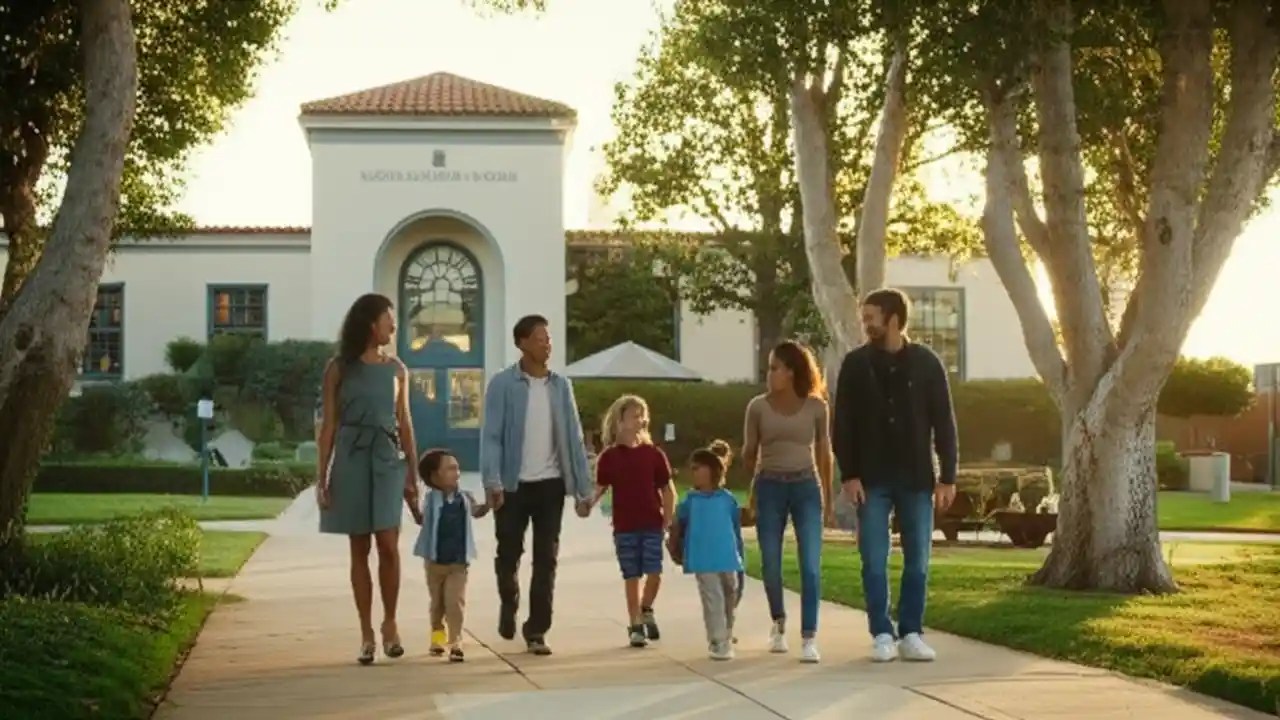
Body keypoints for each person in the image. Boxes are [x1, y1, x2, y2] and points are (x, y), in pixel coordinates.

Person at [833, 288, 958, 663]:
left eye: (870, 317)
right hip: (871, 479)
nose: (865, 324)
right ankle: (882, 632)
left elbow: (944, 422)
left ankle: (911, 632)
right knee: (873, 557)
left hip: (917, 477)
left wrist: (948, 475)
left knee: (918, 559)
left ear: (892, 319)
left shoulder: (927, 364)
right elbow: (843, 425)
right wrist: (849, 474)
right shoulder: (855, 365)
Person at [480, 314, 593, 656]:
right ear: (522, 343)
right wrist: (492, 481)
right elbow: (492, 437)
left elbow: (573, 438)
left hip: (551, 486)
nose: (548, 343)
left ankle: (537, 629)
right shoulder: (502, 384)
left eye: (549, 337)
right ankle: (508, 603)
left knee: (547, 559)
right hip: (513, 486)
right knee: (508, 554)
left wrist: (583, 490)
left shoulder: (561, 386)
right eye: (540, 337)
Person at [316, 293, 419, 666]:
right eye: (388, 319)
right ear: (370, 324)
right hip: (351, 457)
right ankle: (366, 633)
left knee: (389, 545)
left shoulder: (397, 369)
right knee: (359, 547)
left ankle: (391, 624)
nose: (393, 325)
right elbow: (328, 426)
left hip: (388, 458)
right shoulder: (338, 369)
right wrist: (321, 478)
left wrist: (414, 474)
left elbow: (405, 423)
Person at [742, 340, 834, 663]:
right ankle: (778, 622)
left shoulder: (816, 407)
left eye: (775, 368)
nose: (769, 375)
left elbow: (825, 454)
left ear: (792, 372)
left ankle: (809, 636)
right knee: (770, 563)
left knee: (810, 565)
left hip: (806, 487)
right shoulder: (757, 407)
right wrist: (750, 485)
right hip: (769, 486)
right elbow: (749, 453)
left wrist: (829, 499)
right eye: (769, 369)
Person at [586, 395, 675, 648]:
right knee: (632, 575)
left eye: (642, 415)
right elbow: (600, 488)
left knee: (655, 572)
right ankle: (635, 624)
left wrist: (667, 521)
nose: (640, 420)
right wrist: (587, 504)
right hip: (625, 525)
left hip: (651, 523)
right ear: (619, 421)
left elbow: (668, 490)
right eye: (634, 415)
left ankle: (646, 608)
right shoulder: (610, 457)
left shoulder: (653, 454)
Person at [410, 448, 489, 663]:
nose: (457, 473)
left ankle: (455, 641)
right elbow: (422, 519)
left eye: (457, 468)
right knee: (437, 604)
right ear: (435, 477)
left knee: (454, 602)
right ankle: (437, 637)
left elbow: (478, 511)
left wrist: (491, 502)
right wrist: (412, 502)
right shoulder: (430, 499)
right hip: (434, 561)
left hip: (458, 562)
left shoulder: (465, 497)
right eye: (450, 469)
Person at [670, 440, 744, 661]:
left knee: (730, 593)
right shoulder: (690, 501)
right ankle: (718, 640)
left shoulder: (728, 499)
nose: (692, 473)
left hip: (727, 556)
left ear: (712, 470)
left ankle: (727, 632)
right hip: (703, 558)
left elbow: (735, 528)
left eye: (697, 468)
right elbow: (677, 525)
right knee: (712, 597)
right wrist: (675, 546)